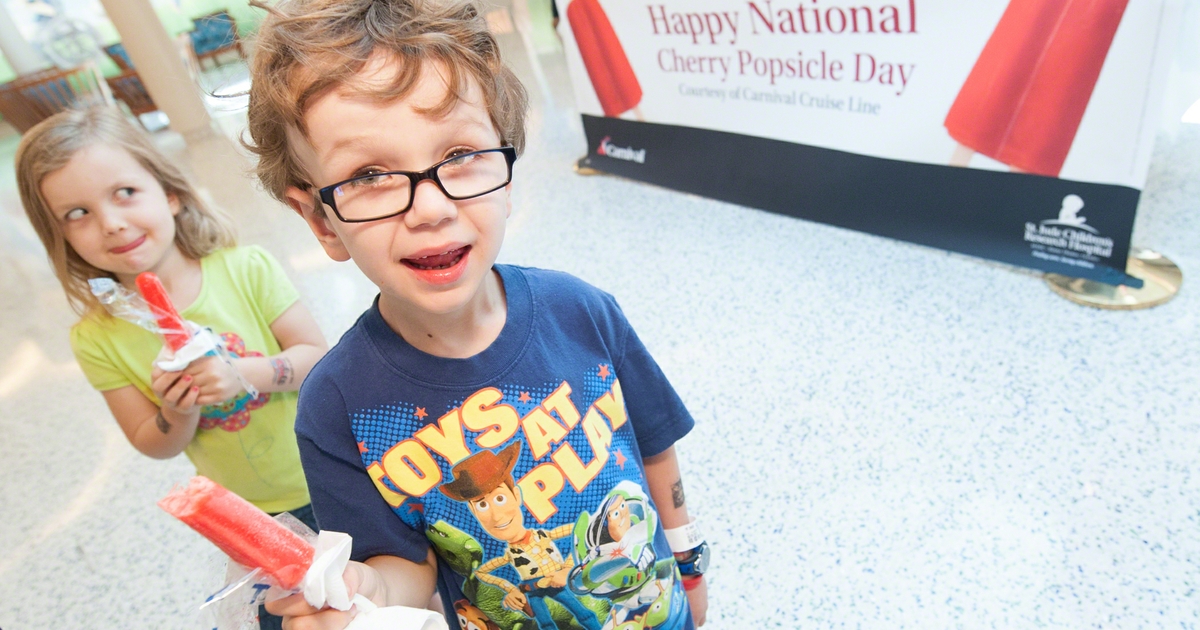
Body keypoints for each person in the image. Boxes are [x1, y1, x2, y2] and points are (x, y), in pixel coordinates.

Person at [243, 1, 710, 629]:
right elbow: (404, 569)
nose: (430, 208)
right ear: (321, 221)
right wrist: (362, 589)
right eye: (371, 174)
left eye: (460, 154)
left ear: (508, 168)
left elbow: (654, 446)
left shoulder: (580, 310)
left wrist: (688, 559)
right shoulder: (337, 406)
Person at [16, 106, 328, 630]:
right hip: (248, 514)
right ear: (60, 236)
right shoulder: (97, 337)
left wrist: (241, 375)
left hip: (331, 471)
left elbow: (316, 358)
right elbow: (151, 441)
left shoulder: (245, 269)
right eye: (77, 214)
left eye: (124, 193)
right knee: (294, 617)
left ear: (170, 193)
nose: (110, 223)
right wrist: (174, 411)